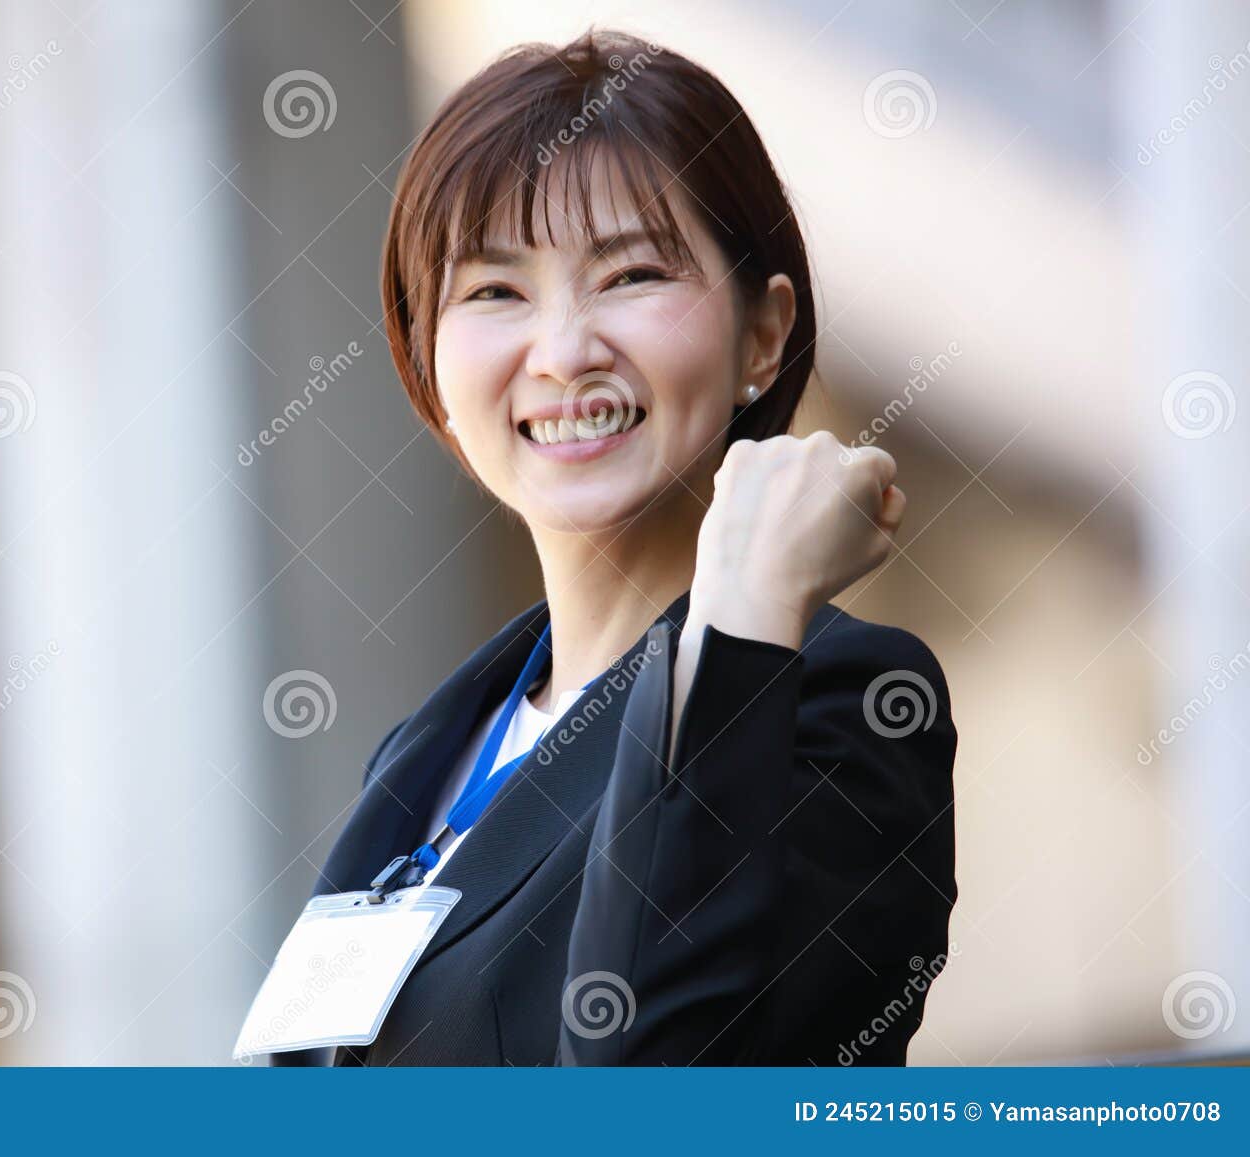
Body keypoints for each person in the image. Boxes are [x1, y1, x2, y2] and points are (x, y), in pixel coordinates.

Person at [266, 27, 957, 1067]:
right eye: (493, 291)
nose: (561, 352)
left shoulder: (837, 703)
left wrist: (744, 615)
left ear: (762, 335)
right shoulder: (431, 747)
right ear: (428, 359)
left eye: (630, 274)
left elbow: (650, 1080)